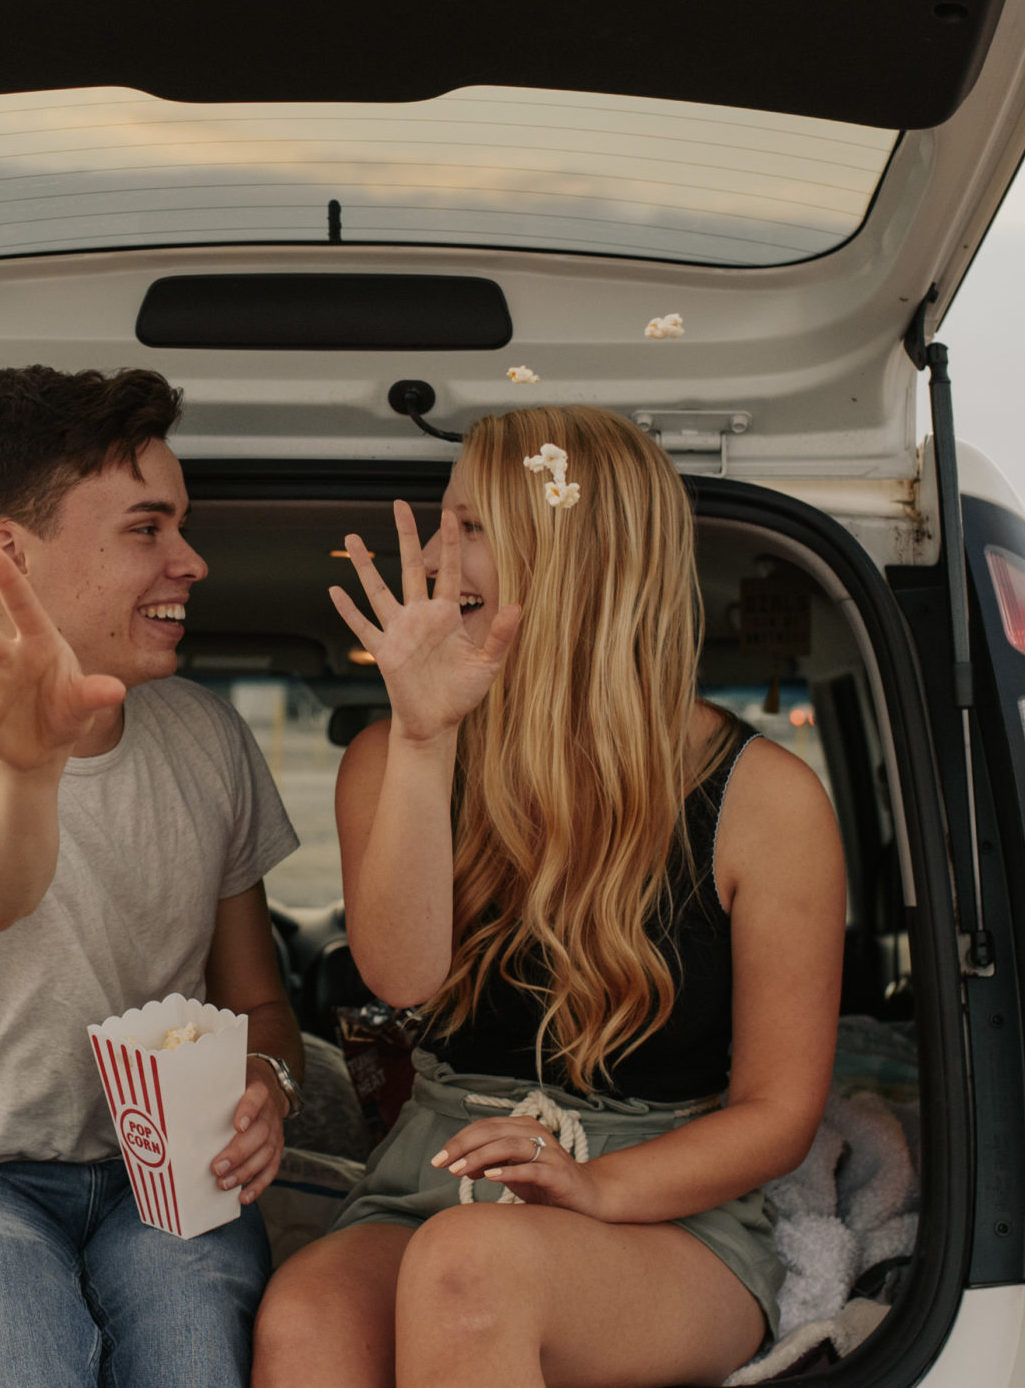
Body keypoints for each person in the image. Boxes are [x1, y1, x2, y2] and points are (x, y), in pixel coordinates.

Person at [254, 406, 845, 1388]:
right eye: (442, 524)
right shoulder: (387, 756)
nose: (438, 556)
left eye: (471, 526)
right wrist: (418, 738)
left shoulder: (764, 800)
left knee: (469, 1271)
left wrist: (596, 1184)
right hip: (432, 1172)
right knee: (304, 1316)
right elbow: (400, 974)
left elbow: (777, 1110)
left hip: (664, 1205)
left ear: (574, 552)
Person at [0, 366, 304, 1388]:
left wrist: (269, 1080)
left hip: (155, 1178)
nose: (191, 559)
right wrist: (27, 761)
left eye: (180, 526)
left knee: (188, 1310)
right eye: (147, 528)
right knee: (9, 1287)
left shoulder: (206, 738)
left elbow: (255, 998)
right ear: (11, 555)